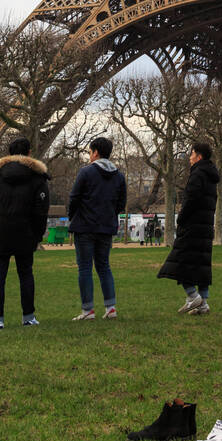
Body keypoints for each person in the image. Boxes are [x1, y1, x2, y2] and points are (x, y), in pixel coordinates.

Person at [0, 136, 50, 330]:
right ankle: (28, 316)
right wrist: (37, 234)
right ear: (29, 153)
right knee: (26, 274)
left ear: (9, 154)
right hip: (26, 231)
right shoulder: (38, 179)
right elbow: (41, 211)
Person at [67, 135, 127, 321]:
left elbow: (74, 198)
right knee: (104, 266)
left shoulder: (86, 173)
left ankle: (88, 310)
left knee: (84, 268)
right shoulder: (119, 176)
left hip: (85, 227)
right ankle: (110, 307)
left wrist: (73, 217)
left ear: (95, 152)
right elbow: (121, 202)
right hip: (106, 227)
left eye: (90, 152)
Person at [157, 141, 219, 315]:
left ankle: (193, 296)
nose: (190, 158)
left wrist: (181, 219)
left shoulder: (197, 174)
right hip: (205, 226)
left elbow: (191, 201)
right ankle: (203, 303)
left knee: (180, 262)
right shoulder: (211, 176)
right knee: (202, 265)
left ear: (198, 156)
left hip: (193, 226)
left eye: (191, 154)